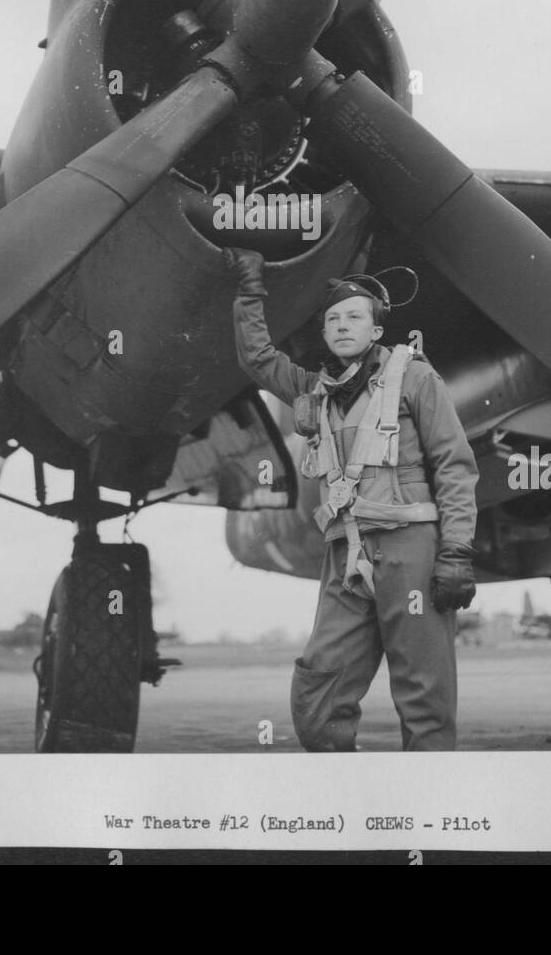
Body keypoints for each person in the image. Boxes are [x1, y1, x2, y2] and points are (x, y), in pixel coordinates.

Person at [226, 247, 479, 752]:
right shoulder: (312, 391)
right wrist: (249, 289)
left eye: (355, 317)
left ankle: (427, 817)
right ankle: (348, 804)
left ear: (376, 329)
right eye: (334, 319)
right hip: (347, 555)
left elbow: (454, 464)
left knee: (424, 699)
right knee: (318, 694)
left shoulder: (416, 378)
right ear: (324, 332)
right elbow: (256, 358)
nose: (343, 326)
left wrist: (456, 551)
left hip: (411, 550)